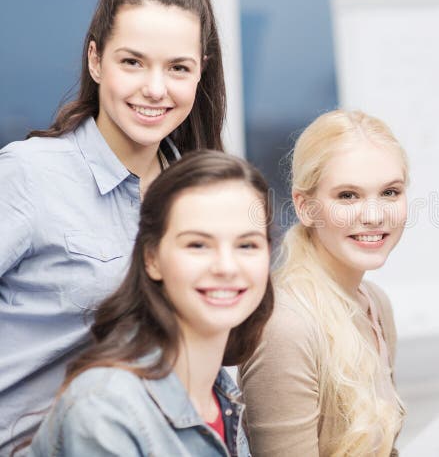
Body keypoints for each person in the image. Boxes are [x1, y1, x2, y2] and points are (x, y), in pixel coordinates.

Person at [0, 0, 226, 451]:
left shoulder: (199, 197)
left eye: (178, 67)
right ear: (96, 60)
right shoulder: (29, 175)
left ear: (200, 73)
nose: (155, 88)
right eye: (132, 62)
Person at [26, 151, 272, 456]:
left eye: (247, 245)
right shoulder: (106, 409)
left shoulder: (220, 396)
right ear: (151, 258)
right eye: (198, 245)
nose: (226, 267)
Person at [240, 110, 407, 457]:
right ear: (305, 207)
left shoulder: (375, 304)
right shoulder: (285, 328)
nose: (374, 215)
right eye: (348, 196)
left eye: (390, 192)